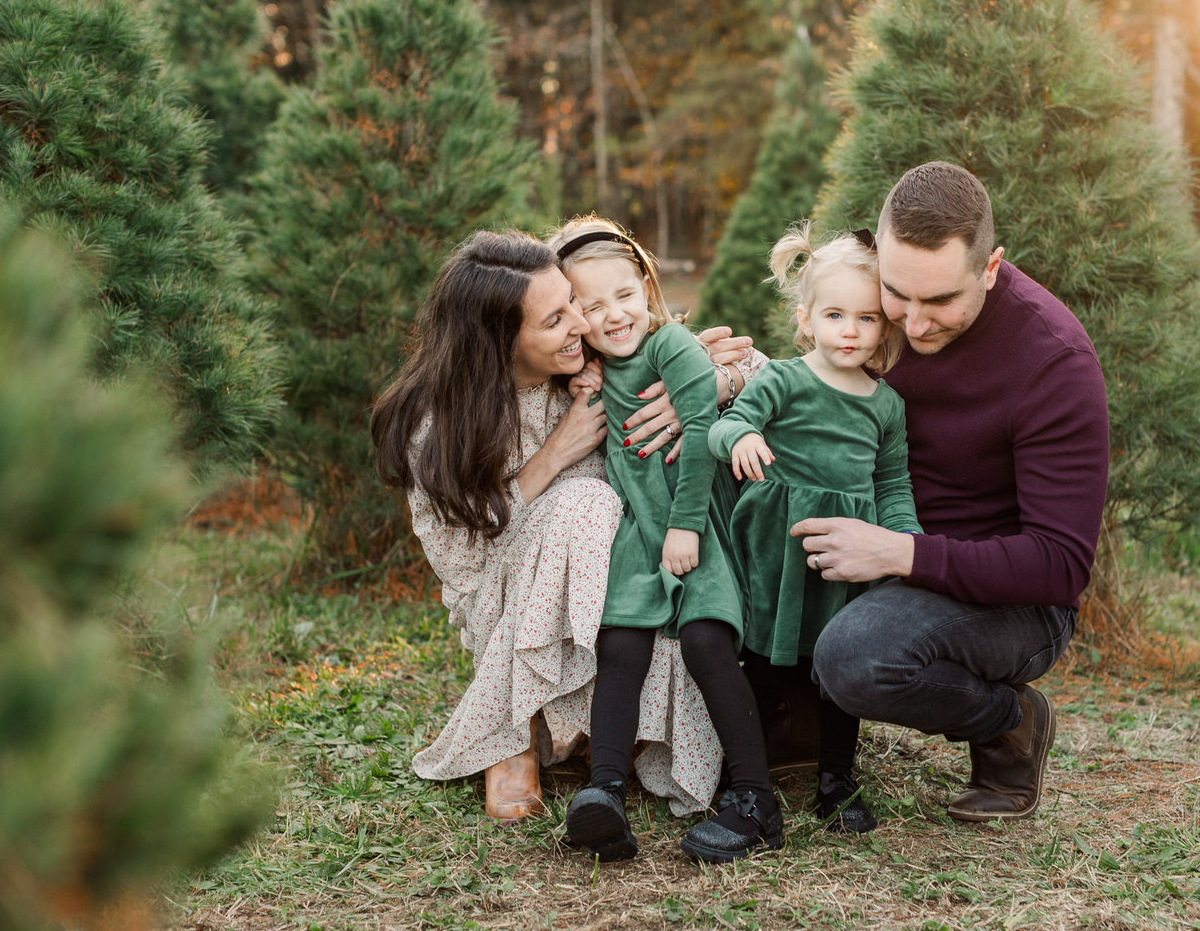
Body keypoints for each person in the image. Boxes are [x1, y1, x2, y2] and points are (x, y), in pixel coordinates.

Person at [792, 162, 1110, 823]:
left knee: (856, 659)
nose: (913, 323)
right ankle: (790, 725)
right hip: (883, 550)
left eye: (940, 302)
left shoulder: (1053, 361)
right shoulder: (872, 311)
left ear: (990, 268)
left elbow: (1058, 565)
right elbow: (811, 388)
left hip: (1011, 599)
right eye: (898, 294)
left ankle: (1009, 723)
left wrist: (902, 554)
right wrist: (724, 388)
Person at [370, 230, 715, 823]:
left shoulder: (596, 364)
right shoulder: (442, 420)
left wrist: (717, 381)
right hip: (500, 596)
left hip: (617, 580)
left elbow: (755, 364)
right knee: (585, 501)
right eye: (555, 320)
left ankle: (608, 727)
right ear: (500, 342)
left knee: (640, 541)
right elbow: (462, 564)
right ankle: (515, 735)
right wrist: (553, 455)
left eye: (572, 304)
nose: (581, 325)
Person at [550, 216, 782, 865]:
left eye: (624, 295)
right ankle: (604, 793)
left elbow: (704, 427)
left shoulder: (669, 345)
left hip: (692, 520)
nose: (614, 313)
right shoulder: (600, 366)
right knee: (620, 644)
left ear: (645, 289)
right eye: (593, 307)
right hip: (638, 533)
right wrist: (583, 382)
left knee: (708, 641)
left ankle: (757, 798)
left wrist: (684, 527)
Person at [708, 222, 923, 835]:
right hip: (775, 544)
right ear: (806, 320)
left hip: (843, 555)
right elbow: (724, 427)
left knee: (832, 672)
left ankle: (837, 781)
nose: (849, 331)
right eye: (834, 315)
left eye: (866, 318)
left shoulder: (885, 404)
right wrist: (743, 434)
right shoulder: (782, 378)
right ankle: (741, 775)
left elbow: (892, 485)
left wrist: (907, 545)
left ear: (885, 326)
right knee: (765, 666)